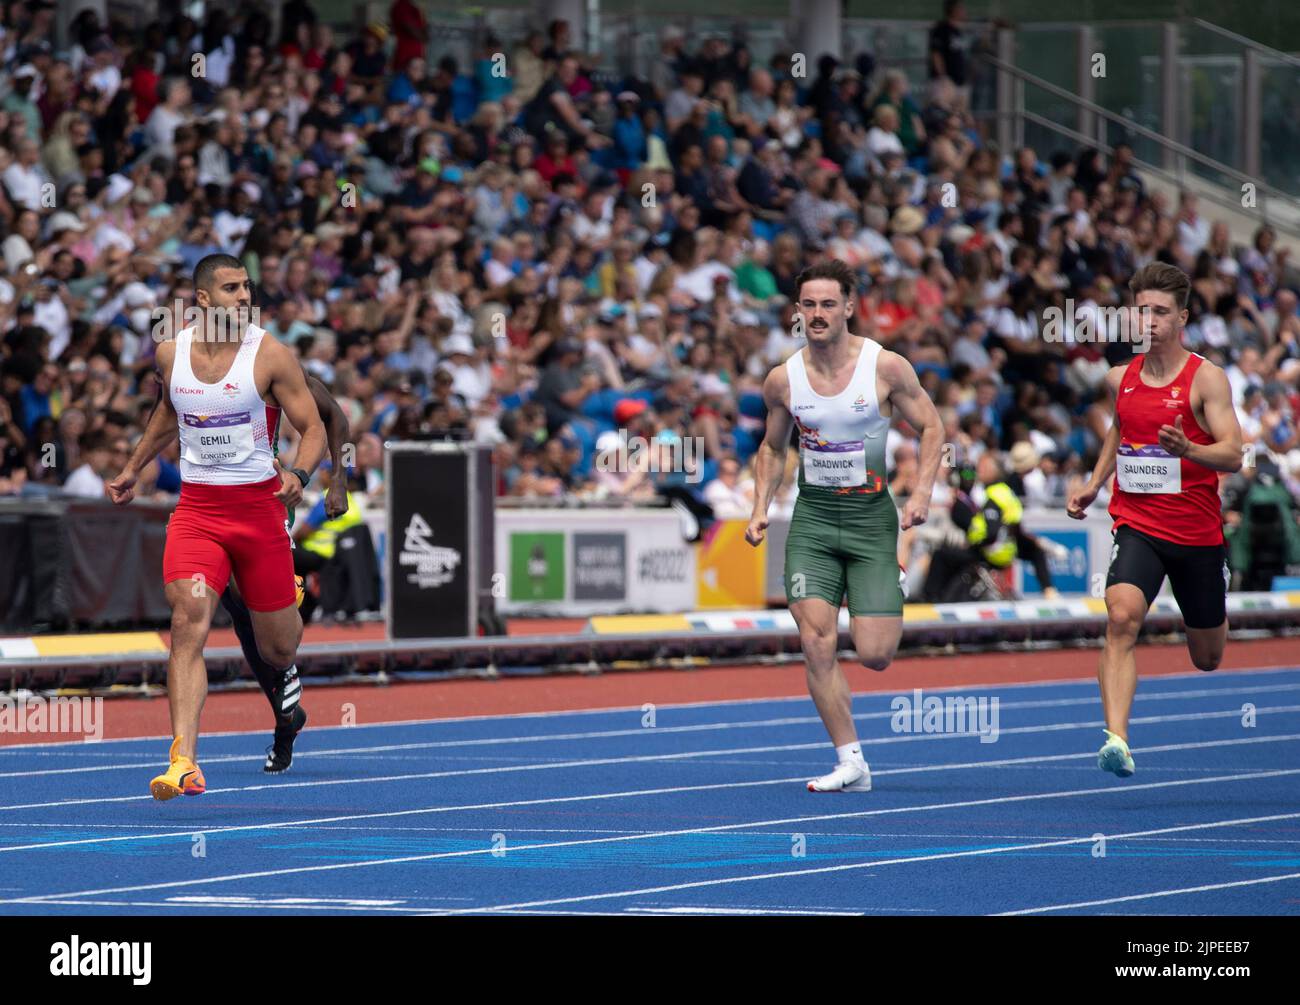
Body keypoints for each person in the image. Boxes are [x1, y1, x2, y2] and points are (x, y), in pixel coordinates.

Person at [108, 253, 327, 800]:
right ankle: (183, 760)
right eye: (232, 288)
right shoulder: (170, 352)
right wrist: (134, 467)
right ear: (203, 299)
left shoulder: (269, 355)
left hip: (259, 513)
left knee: (278, 650)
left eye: (248, 287)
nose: (245, 296)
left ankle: (289, 592)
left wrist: (300, 472)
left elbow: (315, 425)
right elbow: (169, 411)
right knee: (189, 620)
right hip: (199, 513)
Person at [745, 259, 944, 793]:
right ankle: (850, 760)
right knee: (816, 641)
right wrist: (761, 505)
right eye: (808, 304)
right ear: (797, 311)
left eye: (828, 304)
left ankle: (890, 578)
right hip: (811, 521)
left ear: (849, 308)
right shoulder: (782, 379)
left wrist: (921, 492)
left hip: (871, 522)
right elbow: (771, 446)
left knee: (875, 654)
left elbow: (931, 427)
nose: (817, 313)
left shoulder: (886, 368)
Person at [1067, 262, 1243, 778]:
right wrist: (1095, 483)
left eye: (1159, 312)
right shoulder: (1120, 378)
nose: (1147, 320)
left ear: (1182, 317)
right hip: (1137, 521)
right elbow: (1119, 433)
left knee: (1206, 656)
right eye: (1140, 310)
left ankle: (1215, 594)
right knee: (1120, 617)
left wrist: (1190, 448)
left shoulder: (1206, 379)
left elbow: (1233, 453)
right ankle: (1117, 738)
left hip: (1196, 532)